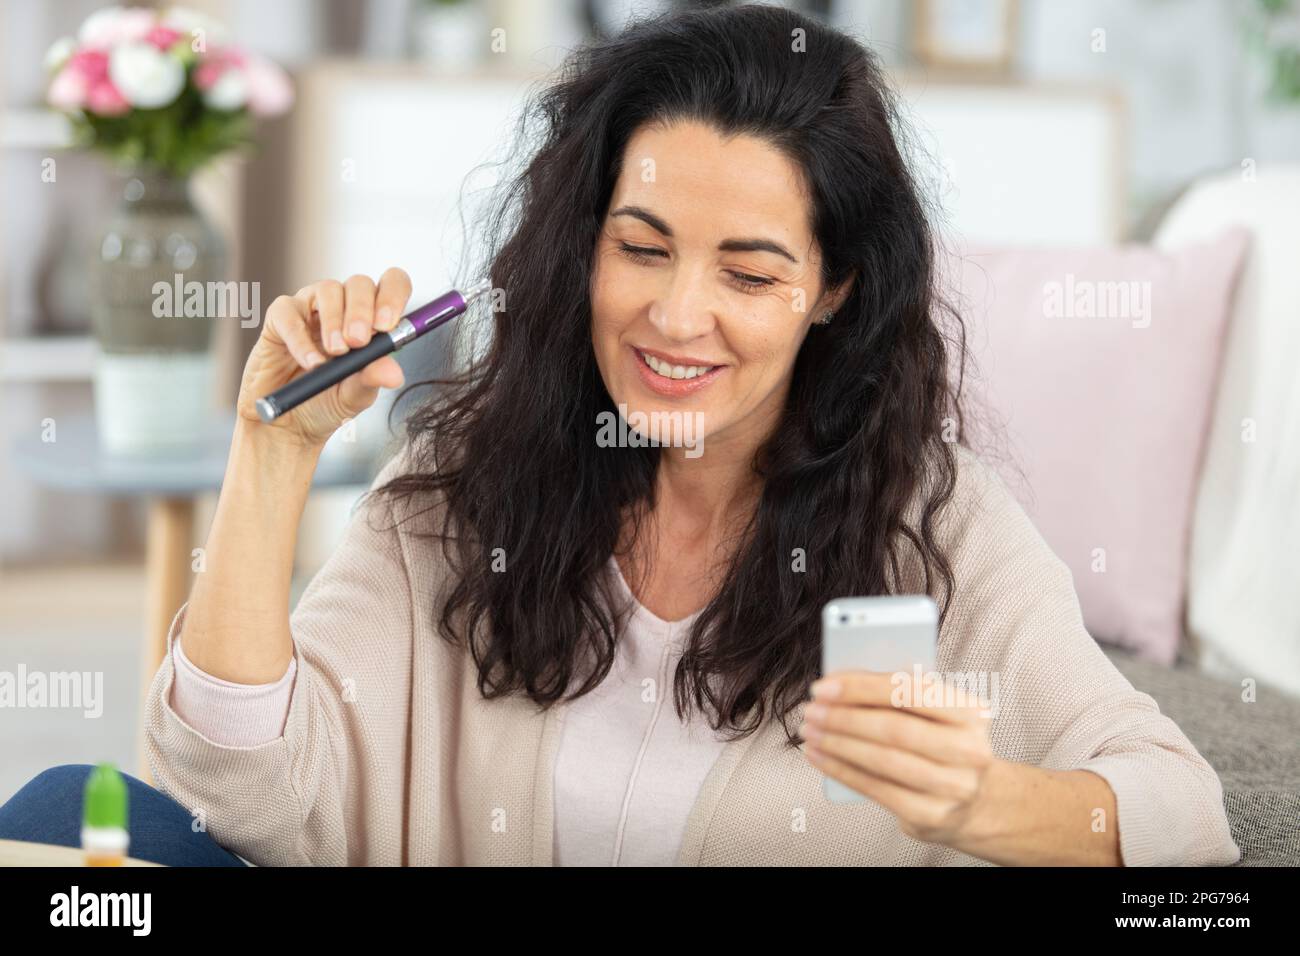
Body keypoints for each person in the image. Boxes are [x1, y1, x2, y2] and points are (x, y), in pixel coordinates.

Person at [0, 3, 1239, 867]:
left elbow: (1180, 809)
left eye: (749, 274)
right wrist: (268, 459)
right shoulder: (463, 471)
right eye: (640, 247)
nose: (675, 315)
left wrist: (988, 801)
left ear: (834, 289)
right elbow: (244, 783)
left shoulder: (936, 521)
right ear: (578, 238)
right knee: (71, 815)